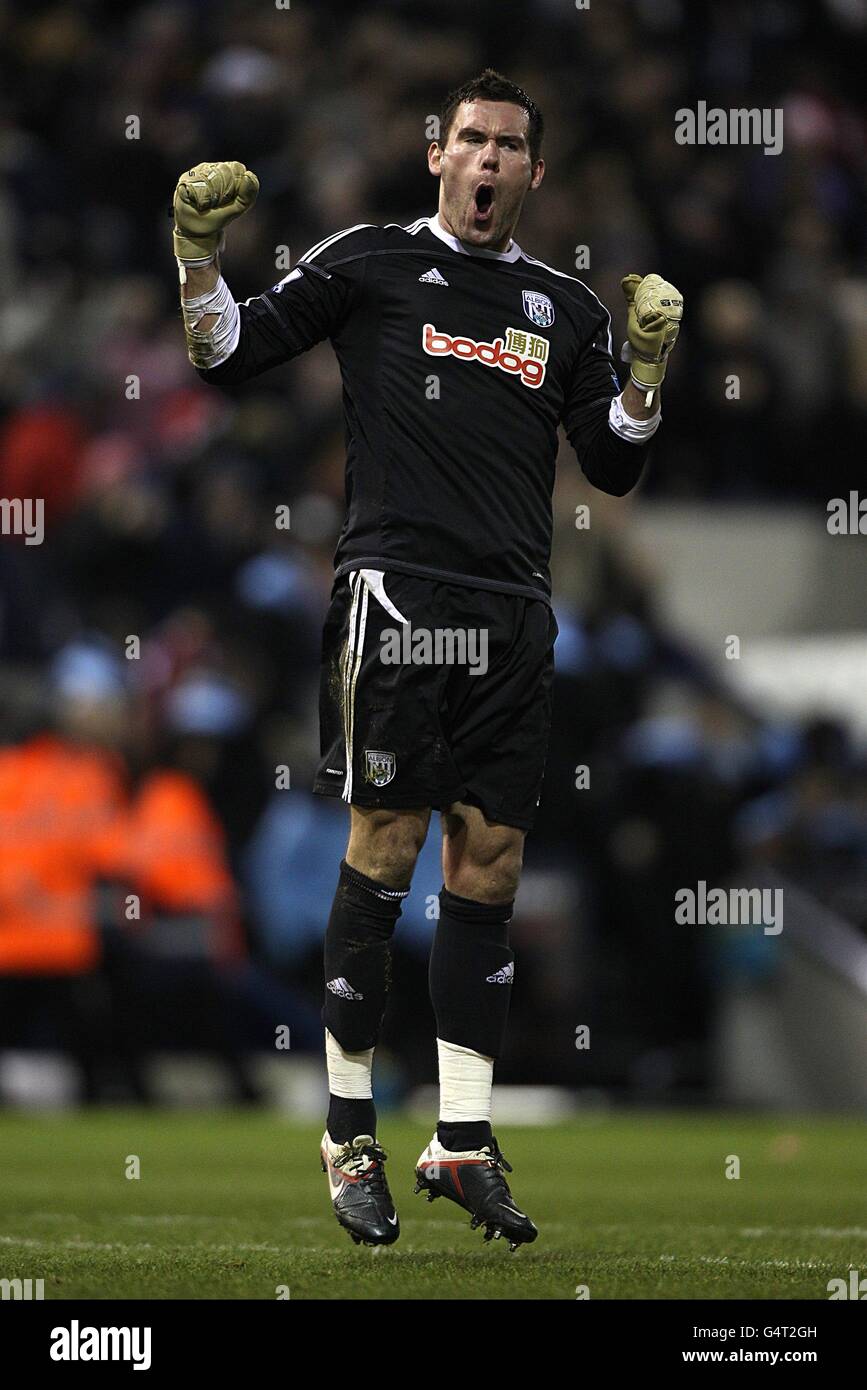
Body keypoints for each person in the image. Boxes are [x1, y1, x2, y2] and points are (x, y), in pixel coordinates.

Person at [174, 69, 683, 1251]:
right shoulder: (369, 263)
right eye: (473, 141)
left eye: (511, 145)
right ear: (435, 152)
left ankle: (460, 1139)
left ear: (535, 173)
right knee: (386, 840)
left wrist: (650, 378)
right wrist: (200, 261)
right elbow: (227, 352)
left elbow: (610, 465)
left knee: (490, 859)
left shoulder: (565, 308)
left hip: (517, 608)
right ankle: (349, 1130)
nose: (491, 161)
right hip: (397, 595)